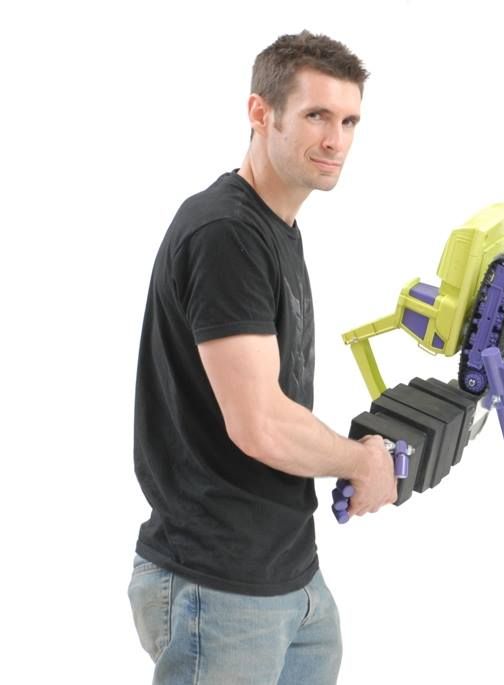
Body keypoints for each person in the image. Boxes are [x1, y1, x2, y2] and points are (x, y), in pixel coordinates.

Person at [128, 31, 397, 684]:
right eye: (316, 115)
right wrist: (360, 460)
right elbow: (260, 423)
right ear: (260, 112)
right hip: (218, 588)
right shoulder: (225, 232)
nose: (335, 140)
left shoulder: (274, 227)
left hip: (290, 575)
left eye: (349, 121)